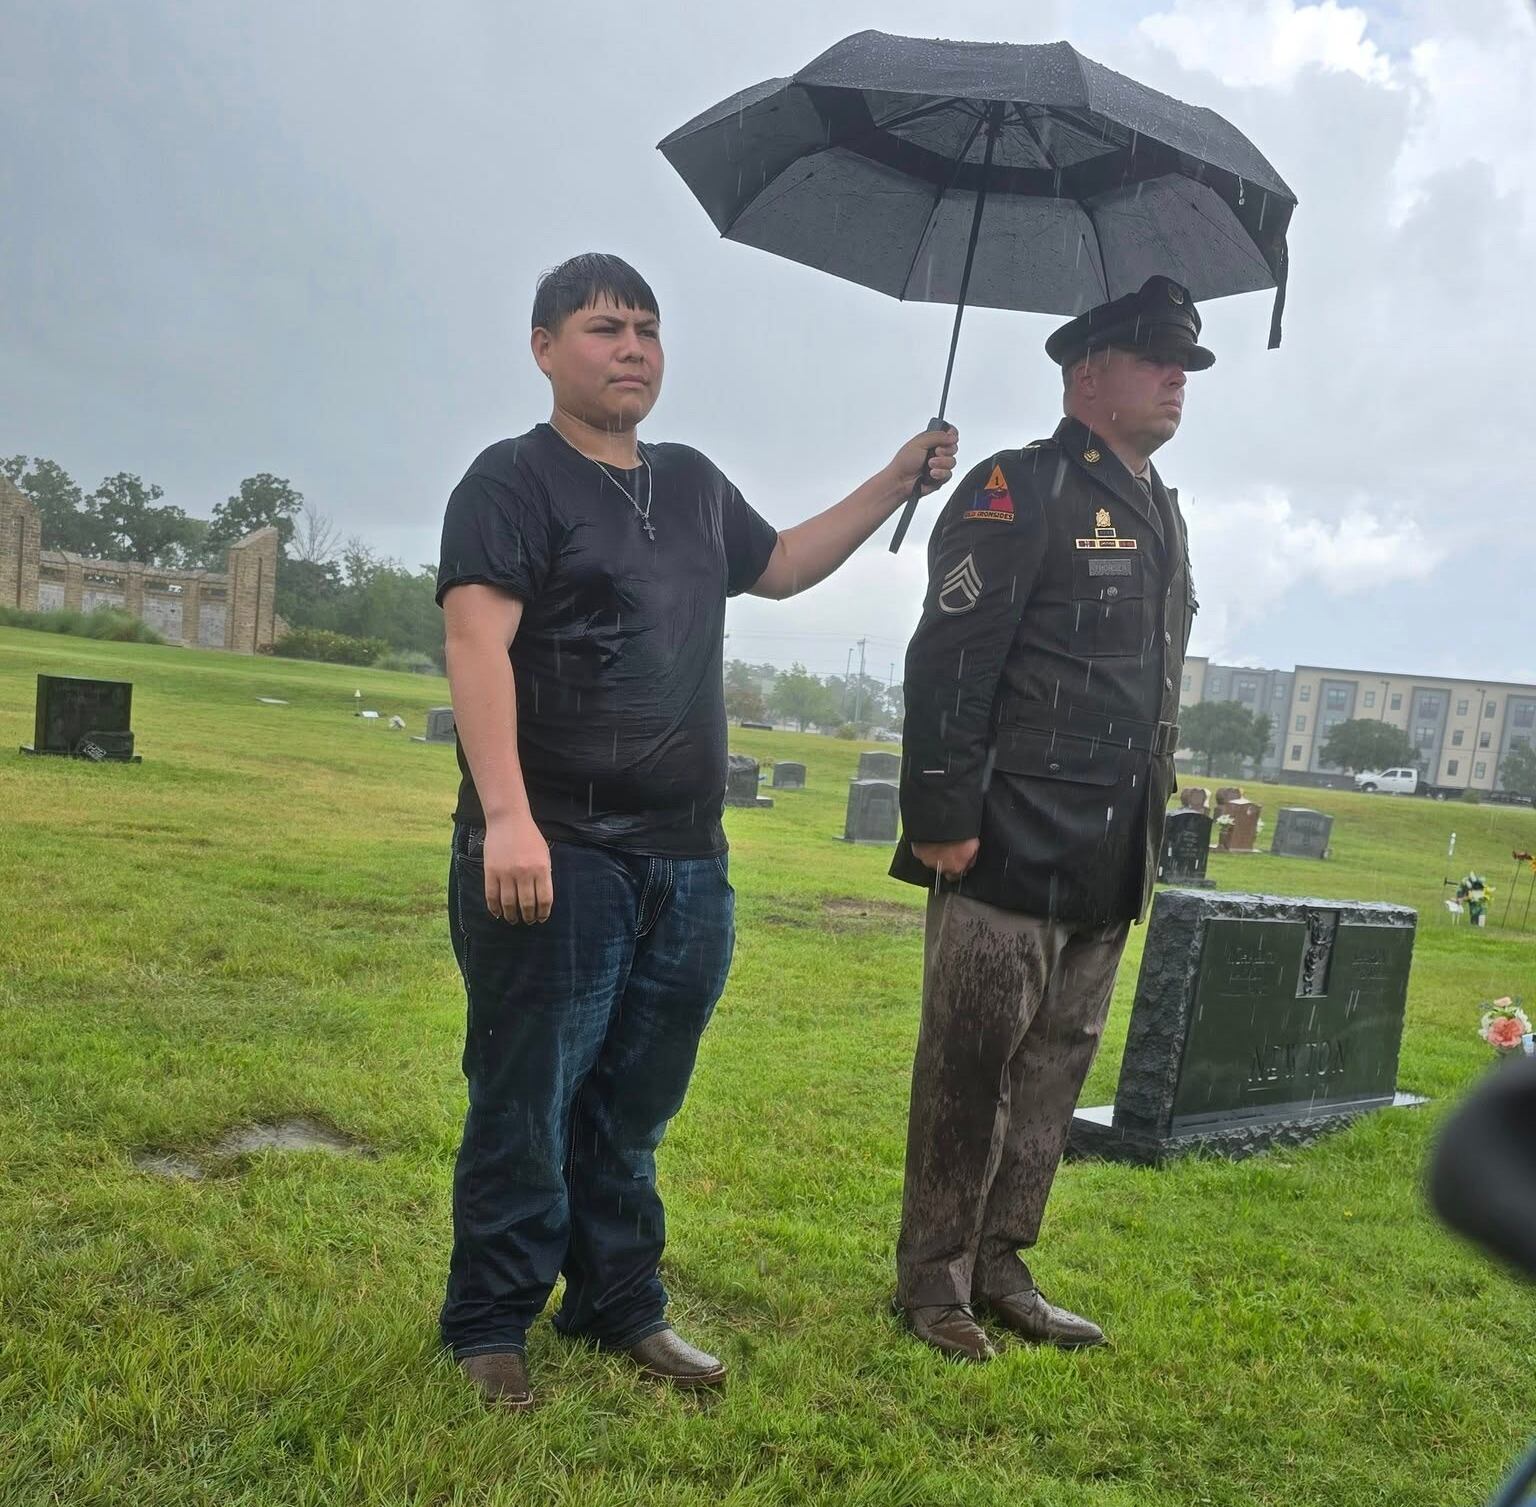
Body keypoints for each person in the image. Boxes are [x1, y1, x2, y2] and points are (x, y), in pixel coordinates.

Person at [435, 252, 957, 1409]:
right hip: (555, 849)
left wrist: (895, 478)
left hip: (686, 860)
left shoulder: (694, 485)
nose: (632, 348)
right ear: (544, 349)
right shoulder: (511, 481)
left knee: (635, 1104)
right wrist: (507, 817)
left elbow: (783, 566)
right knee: (527, 1097)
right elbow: (476, 645)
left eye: (648, 329)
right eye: (604, 327)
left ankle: (618, 1303)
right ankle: (488, 1323)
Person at [888, 274, 1207, 1361]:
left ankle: (1002, 1262)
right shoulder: (1015, 488)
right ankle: (935, 1280)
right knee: (969, 1064)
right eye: (1155, 357)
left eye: (1185, 362)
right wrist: (940, 811)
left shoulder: (1161, 507)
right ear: (1086, 376)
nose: (1177, 377)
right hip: (1008, 837)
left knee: (1055, 1068)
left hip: (1112, 846)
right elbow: (950, 656)